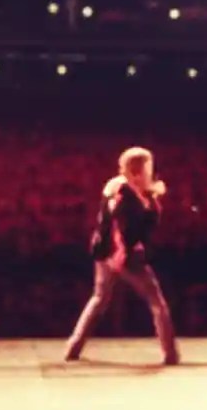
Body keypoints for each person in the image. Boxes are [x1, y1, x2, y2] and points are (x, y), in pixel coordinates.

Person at [64, 146, 180, 365]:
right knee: (157, 302)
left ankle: (74, 347)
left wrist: (151, 196)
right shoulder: (125, 197)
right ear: (137, 173)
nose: (151, 174)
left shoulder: (119, 187)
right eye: (148, 170)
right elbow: (124, 228)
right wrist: (122, 255)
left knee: (99, 298)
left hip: (105, 252)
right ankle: (170, 354)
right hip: (123, 255)